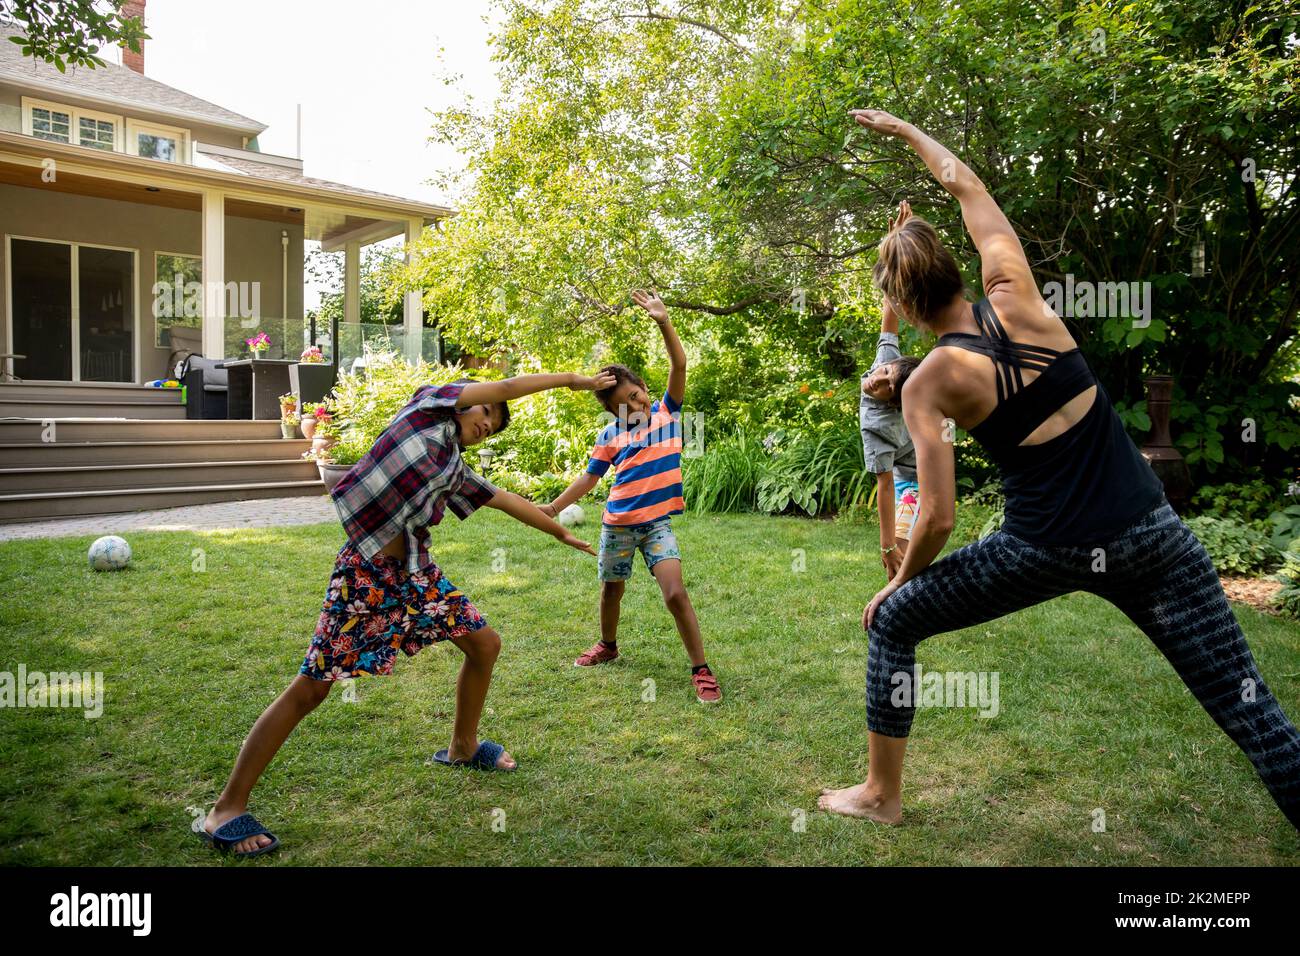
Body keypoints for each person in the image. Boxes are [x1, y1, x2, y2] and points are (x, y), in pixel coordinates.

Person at [818, 108, 1300, 831]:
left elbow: (941, 515)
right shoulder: (1020, 295)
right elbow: (967, 186)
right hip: (1152, 530)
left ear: (907, 308)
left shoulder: (930, 382)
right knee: (1250, 708)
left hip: (1045, 547)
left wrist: (898, 581)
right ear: (956, 268)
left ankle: (880, 796)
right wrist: (907, 132)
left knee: (893, 622)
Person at [200, 372, 610, 857]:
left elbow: (504, 499)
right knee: (313, 687)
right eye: (486, 413)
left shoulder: (451, 467)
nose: (489, 423)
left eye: (495, 427)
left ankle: (463, 746)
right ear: (465, 400)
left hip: (415, 574)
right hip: (366, 573)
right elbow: (501, 388)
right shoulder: (426, 409)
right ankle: (225, 808)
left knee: (485, 643)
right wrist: (572, 381)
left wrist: (559, 531)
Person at [542, 290, 721, 704]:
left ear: (644, 387)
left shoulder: (667, 413)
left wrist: (663, 320)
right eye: (626, 403)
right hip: (617, 524)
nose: (636, 403)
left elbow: (680, 363)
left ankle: (701, 668)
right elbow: (589, 480)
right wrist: (552, 507)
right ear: (614, 412)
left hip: (657, 524)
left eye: (637, 393)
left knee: (675, 593)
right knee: (611, 591)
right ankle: (607, 645)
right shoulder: (611, 435)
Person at [861, 201, 924, 578]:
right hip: (907, 470)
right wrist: (894, 247)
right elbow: (889, 308)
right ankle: (899, 588)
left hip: (915, 479)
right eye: (883, 373)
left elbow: (885, 487)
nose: (877, 380)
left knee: (899, 554)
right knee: (902, 560)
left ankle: (900, 586)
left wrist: (886, 546)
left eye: (885, 388)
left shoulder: (876, 424)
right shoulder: (889, 360)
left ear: (895, 403)